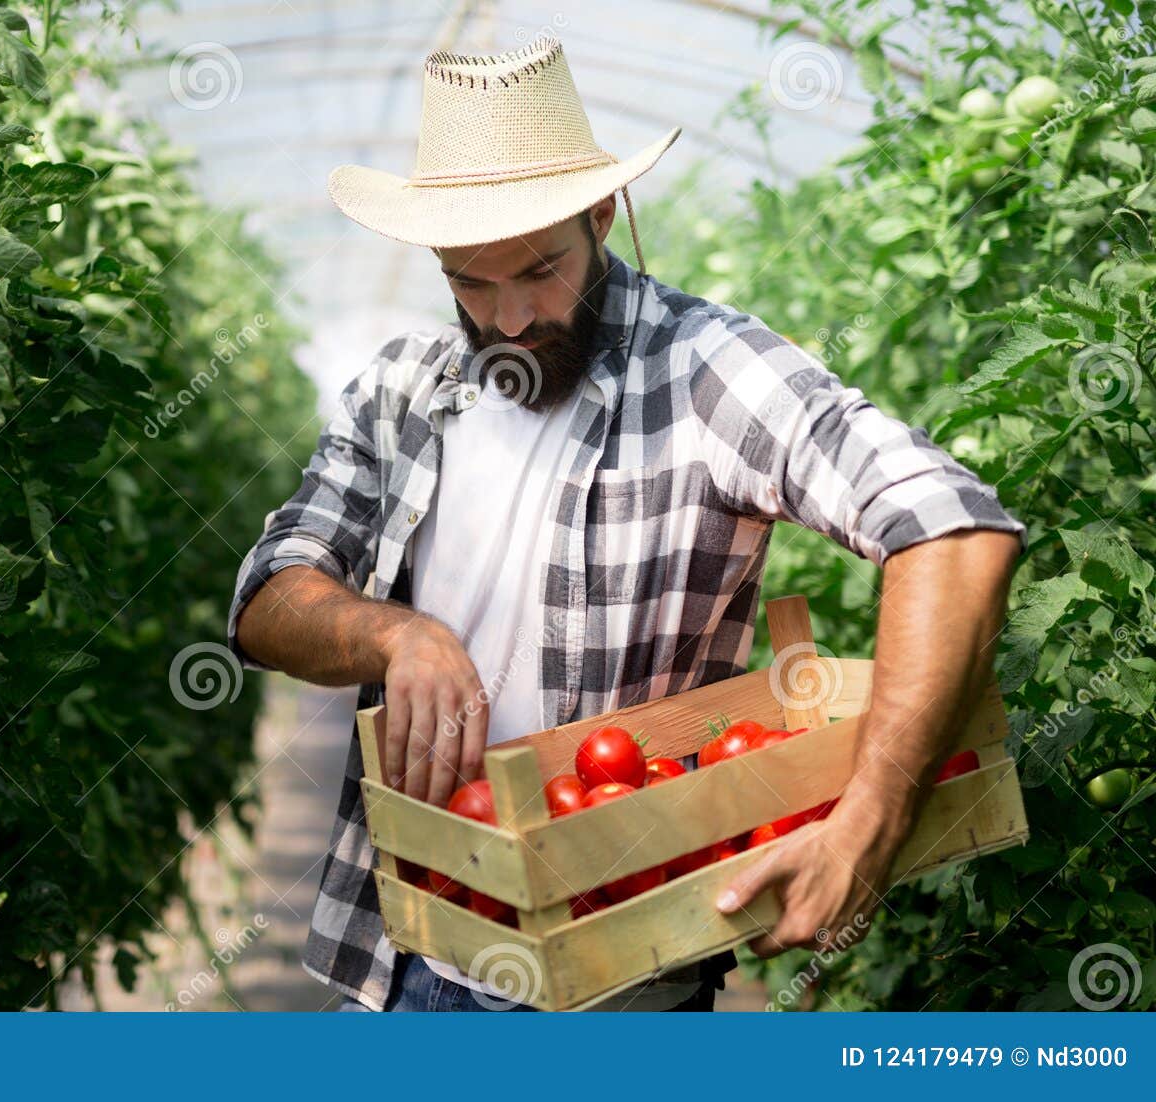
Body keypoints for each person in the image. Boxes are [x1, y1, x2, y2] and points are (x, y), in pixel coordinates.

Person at [226, 34, 1023, 1012]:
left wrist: (869, 822)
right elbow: (269, 593)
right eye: (470, 283)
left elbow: (954, 528)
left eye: (540, 268)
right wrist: (394, 635)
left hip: (618, 987)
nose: (512, 316)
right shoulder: (401, 388)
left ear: (602, 214)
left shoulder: (706, 371)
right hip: (406, 964)